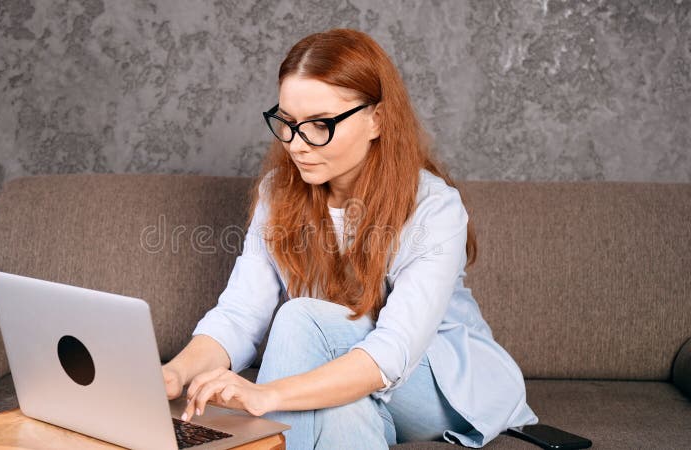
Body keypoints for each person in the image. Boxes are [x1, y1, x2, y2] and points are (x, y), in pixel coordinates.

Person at [162, 28, 538, 449]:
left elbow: (391, 352)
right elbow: (239, 315)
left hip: (442, 385)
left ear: (377, 119)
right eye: (286, 123)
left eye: (320, 125)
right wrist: (174, 373)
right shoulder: (278, 192)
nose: (297, 144)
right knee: (343, 412)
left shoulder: (435, 208)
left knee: (300, 317)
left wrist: (268, 394)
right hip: (346, 375)